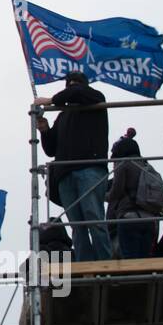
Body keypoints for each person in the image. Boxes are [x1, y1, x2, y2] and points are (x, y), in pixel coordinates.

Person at [35, 70, 112, 261]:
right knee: (78, 226)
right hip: (65, 174)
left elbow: (76, 92)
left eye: (75, 83)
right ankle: (85, 266)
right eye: (69, 82)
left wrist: (51, 99)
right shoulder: (63, 116)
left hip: (90, 169)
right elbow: (52, 149)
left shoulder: (95, 99)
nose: (71, 85)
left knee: (94, 218)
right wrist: (45, 131)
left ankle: (104, 263)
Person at [105, 128, 163, 259]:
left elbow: (116, 191)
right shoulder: (147, 167)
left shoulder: (123, 164)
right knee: (144, 261)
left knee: (130, 261)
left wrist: (104, 197)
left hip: (129, 218)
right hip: (150, 220)